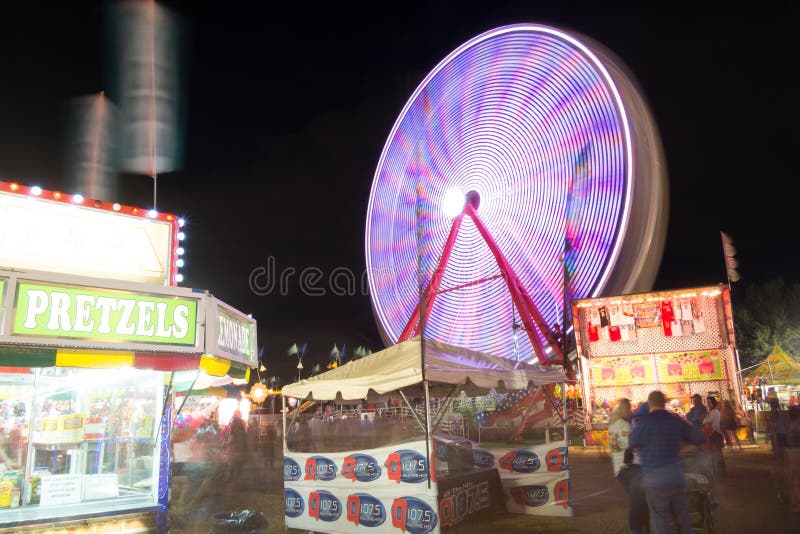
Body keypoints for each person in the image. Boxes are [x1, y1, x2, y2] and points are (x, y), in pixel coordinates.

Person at [629, 390, 706, 534]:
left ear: (650, 404)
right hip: (676, 477)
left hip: (654, 479)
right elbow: (700, 438)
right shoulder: (675, 420)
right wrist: (685, 449)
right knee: (683, 518)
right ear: (664, 403)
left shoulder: (644, 423)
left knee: (659, 520)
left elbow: (632, 443)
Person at [608, 399, 647, 533]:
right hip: (629, 468)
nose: (631, 411)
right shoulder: (625, 426)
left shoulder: (612, 425)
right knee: (638, 502)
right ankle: (637, 529)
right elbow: (630, 448)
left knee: (639, 500)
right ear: (626, 410)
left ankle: (642, 527)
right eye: (629, 409)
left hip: (619, 468)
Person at [703, 397, 726, 476]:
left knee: (718, 454)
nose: (708, 404)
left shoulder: (715, 412)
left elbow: (706, 420)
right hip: (712, 434)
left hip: (715, 434)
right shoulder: (711, 411)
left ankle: (721, 472)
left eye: (709, 402)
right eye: (707, 402)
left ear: (713, 403)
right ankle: (716, 472)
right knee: (713, 453)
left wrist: (704, 419)